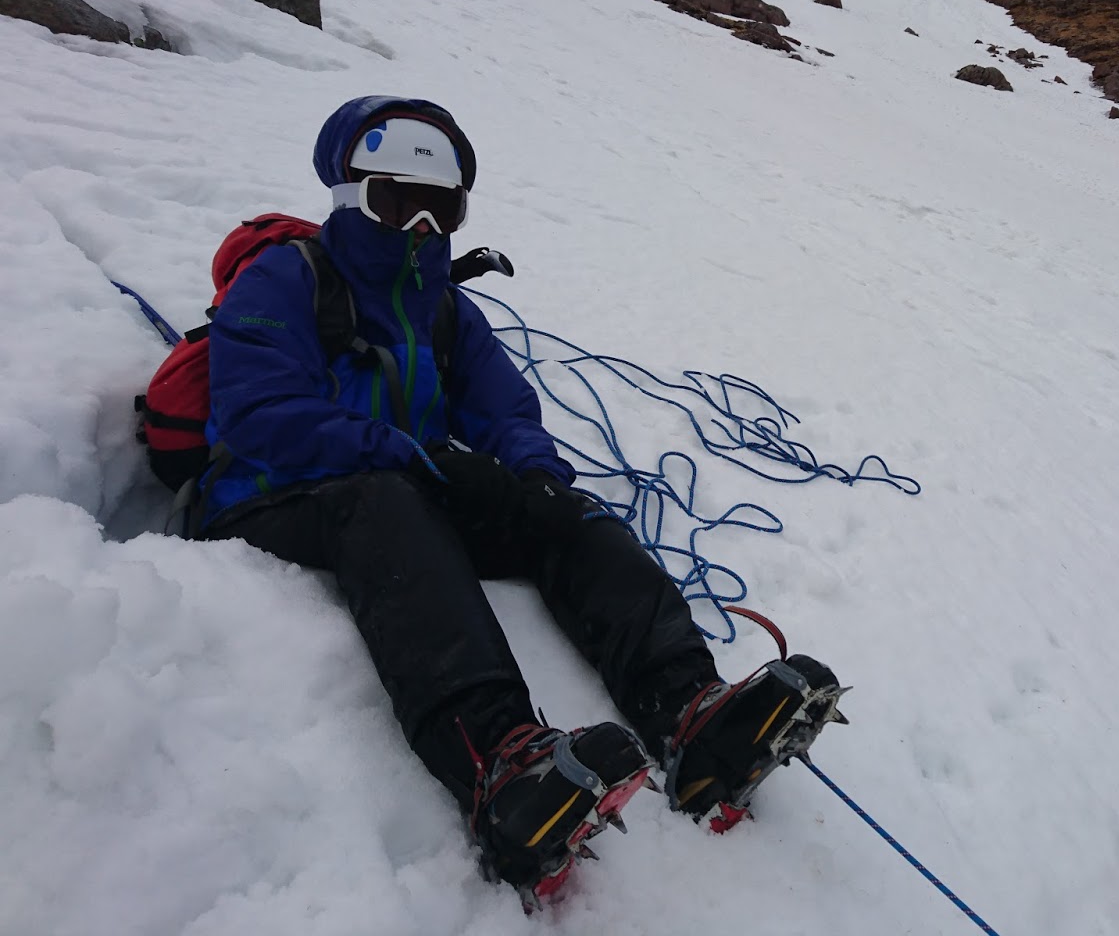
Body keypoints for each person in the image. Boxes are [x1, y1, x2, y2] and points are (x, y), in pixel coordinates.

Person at [189, 95, 843, 895]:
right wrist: (403, 454)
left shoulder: (443, 306)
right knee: (390, 502)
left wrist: (532, 477)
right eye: (397, 202)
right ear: (348, 195)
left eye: (440, 208)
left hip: (400, 484)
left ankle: (687, 708)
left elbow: (502, 407)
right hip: (269, 496)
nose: (421, 227)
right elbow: (257, 413)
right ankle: (500, 765)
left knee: (558, 510)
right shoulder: (285, 278)